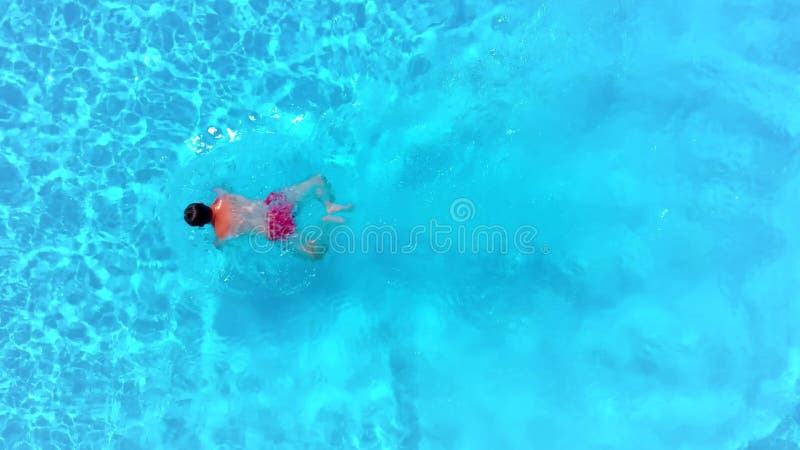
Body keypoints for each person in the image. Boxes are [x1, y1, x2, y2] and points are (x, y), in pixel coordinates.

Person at [183, 174, 351, 258]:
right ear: (203, 203)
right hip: (273, 205)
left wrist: (215, 244)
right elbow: (222, 188)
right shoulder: (223, 197)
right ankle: (329, 205)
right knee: (318, 180)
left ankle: (327, 223)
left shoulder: (221, 233)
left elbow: (223, 244)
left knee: (316, 254)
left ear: (201, 225)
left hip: (274, 228)